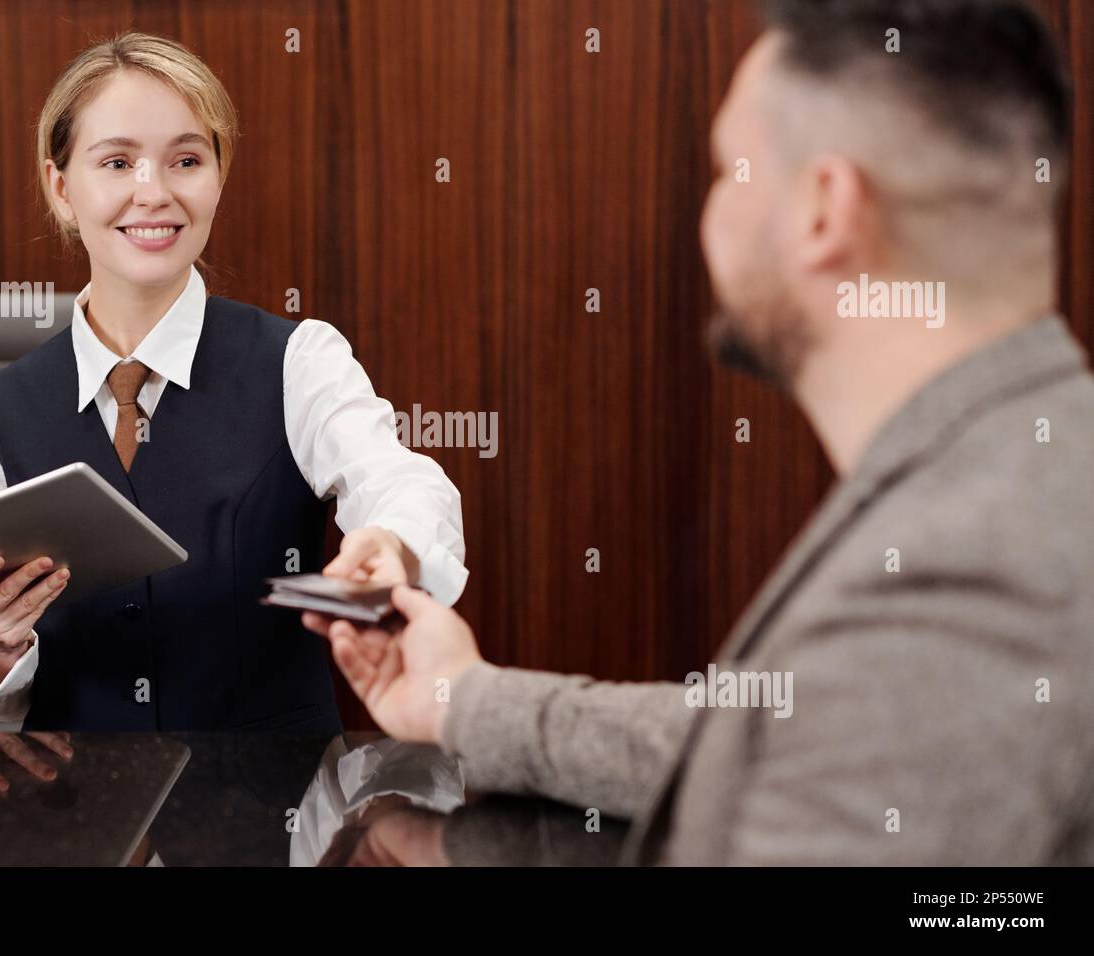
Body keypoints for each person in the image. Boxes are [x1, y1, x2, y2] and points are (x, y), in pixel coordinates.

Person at [303, 0, 1094, 864]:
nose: (708, 213)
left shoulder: (968, 560)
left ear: (824, 210)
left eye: (728, 170)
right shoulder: (1019, 467)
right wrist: (465, 702)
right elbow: (786, 735)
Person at [0, 32, 467, 733]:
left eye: (186, 159)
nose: (153, 192)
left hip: (277, 824)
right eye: (118, 161)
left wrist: (392, 547)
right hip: (75, 826)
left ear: (218, 178)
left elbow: (405, 484)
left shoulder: (300, 361)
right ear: (62, 188)